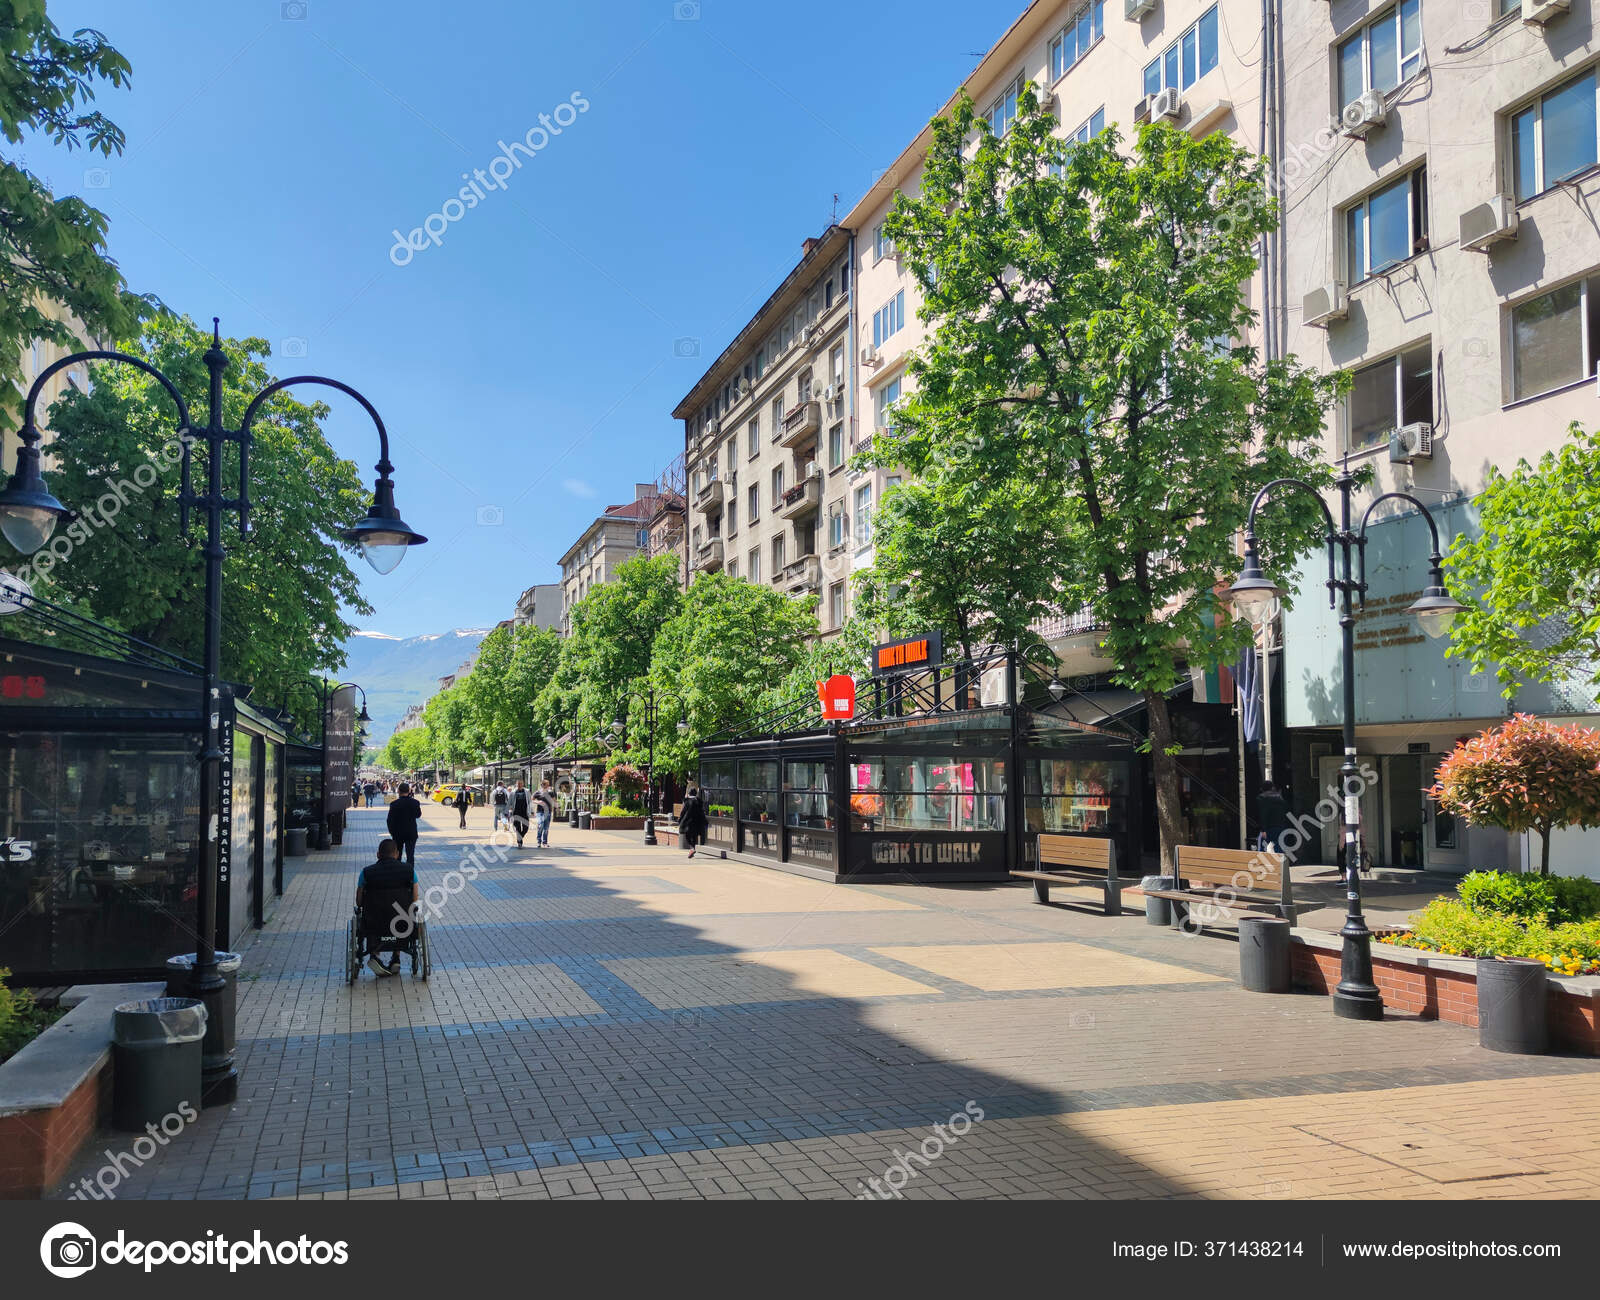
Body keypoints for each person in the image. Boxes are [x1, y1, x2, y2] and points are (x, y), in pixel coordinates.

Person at [356, 838, 416, 977]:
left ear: (378, 854)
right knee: (403, 913)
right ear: (397, 854)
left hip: (374, 922)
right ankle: (396, 957)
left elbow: (359, 902)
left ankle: (375, 955)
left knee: (373, 916)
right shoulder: (409, 870)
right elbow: (414, 898)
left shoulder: (366, 872)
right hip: (401, 923)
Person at [386, 782, 423, 868]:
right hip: (411, 833)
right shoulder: (415, 802)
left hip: (398, 833)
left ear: (398, 791)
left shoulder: (394, 804)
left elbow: (389, 820)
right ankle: (410, 874)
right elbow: (418, 815)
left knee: (397, 855)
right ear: (409, 791)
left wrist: (392, 832)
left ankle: (398, 872)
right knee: (410, 856)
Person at [1258, 780, 1291, 855]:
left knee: (1262, 846)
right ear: (1272, 788)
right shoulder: (1280, 798)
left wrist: (1263, 829)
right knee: (1279, 846)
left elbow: (1263, 814)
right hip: (1280, 826)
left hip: (1268, 827)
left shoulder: (1262, 798)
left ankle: (1262, 863)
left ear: (1262, 789)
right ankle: (1280, 865)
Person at [678, 785, 708, 859]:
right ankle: (692, 848)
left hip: (688, 821)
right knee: (694, 836)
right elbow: (702, 811)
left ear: (689, 793)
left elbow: (683, 811)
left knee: (687, 834)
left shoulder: (687, 801)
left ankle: (692, 848)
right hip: (697, 821)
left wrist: (680, 819)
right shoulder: (699, 801)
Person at [533, 779, 555, 848]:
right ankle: (539, 841)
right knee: (540, 825)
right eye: (546, 784)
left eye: (548, 784)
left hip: (548, 811)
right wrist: (538, 802)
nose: (547, 786)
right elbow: (532, 799)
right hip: (540, 812)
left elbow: (554, 801)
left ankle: (545, 842)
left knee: (546, 828)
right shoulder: (538, 792)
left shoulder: (550, 792)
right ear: (542, 785)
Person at [509, 779, 531, 848]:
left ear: (523, 784)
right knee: (517, 827)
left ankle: (520, 837)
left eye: (520, 783)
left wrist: (532, 811)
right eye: (518, 784)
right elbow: (510, 802)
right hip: (516, 812)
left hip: (525, 812)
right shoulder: (513, 792)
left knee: (526, 827)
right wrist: (509, 810)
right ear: (516, 784)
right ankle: (519, 842)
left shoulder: (527, 791)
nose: (519, 785)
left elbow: (530, 802)